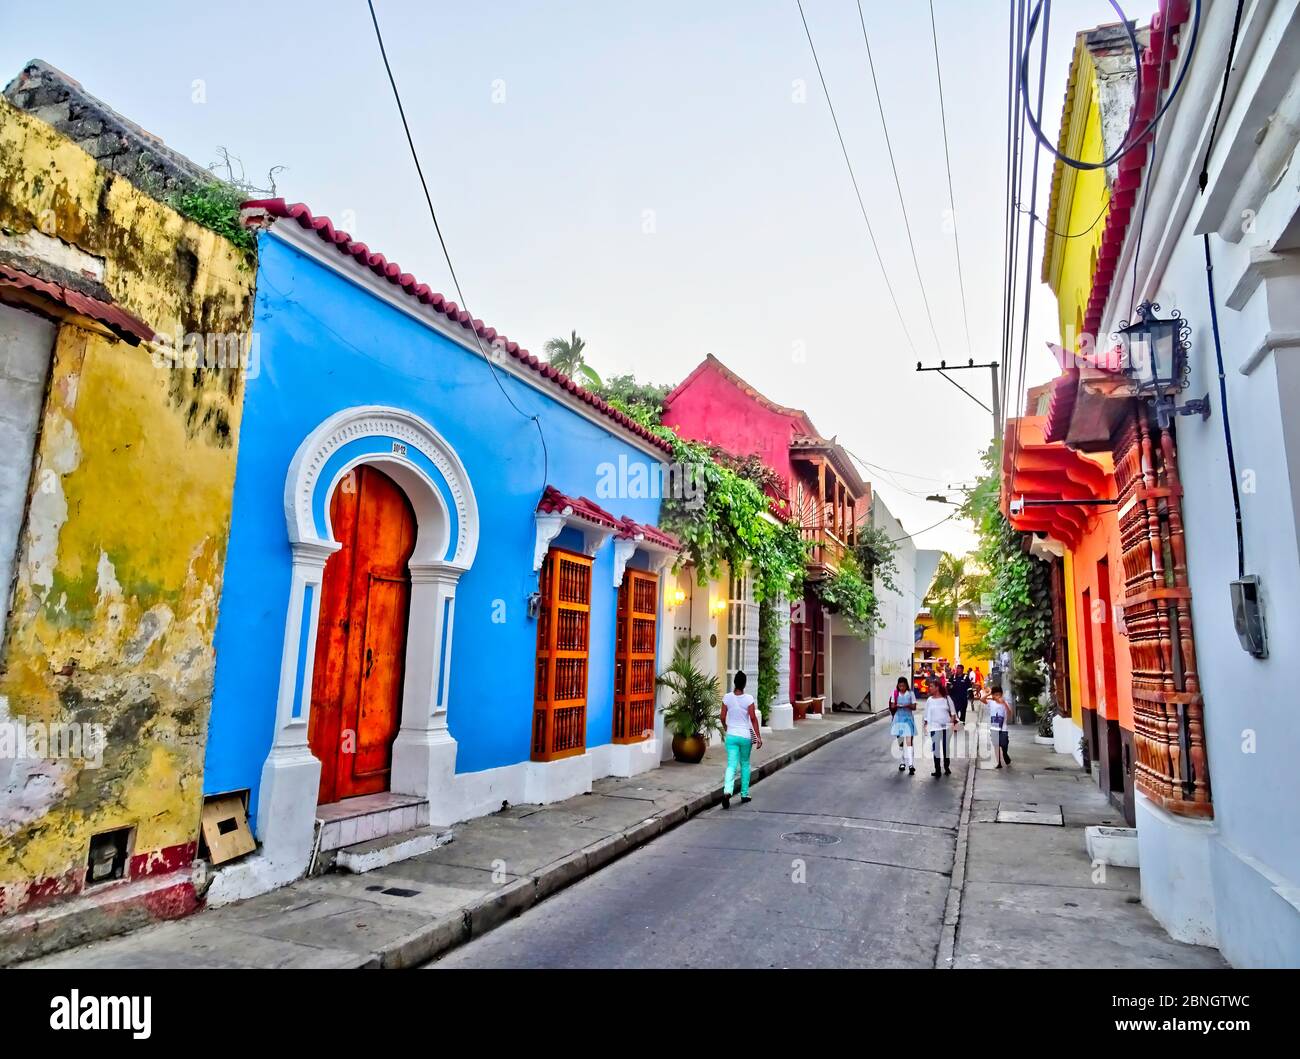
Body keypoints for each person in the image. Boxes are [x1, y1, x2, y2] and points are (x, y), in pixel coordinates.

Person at [721, 671, 762, 809]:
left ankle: (727, 791)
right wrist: (758, 737)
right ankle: (744, 794)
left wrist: (726, 727)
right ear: (744, 684)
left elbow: (722, 716)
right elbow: (753, 718)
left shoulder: (727, 697)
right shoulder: (749, 699)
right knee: (745, 764)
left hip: (731, 735)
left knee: (731, 765)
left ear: (734, 683)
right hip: (745, 736)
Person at [923, 679, 959, 778]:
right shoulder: (929, 700)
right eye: (929, 686)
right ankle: (937, 769)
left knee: (945, 747)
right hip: (934, 727)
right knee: (936, 748)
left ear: (937, 687)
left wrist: (952, 723)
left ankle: (946, 766)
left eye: (931, 686)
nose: (929, 688)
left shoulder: (946, 698)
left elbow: (953, 712)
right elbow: (926, 714)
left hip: (946, 727)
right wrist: (925, 724)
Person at [889, 677, 917, 776]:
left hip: (908, 718)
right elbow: (892, 706)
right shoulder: (895, 693)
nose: (902, 688)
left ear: (906, 685)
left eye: (903, 686)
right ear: (898, 685)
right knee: (900, 742)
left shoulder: (911, 693)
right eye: (900, 686)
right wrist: (897, 705)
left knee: (909, 742)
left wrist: (907, 705)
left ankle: (911, 764)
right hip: (898, 718)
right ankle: (902, 762)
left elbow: (914, 707)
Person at [985, 685, 1012, 768]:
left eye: (999, 695)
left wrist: (1004, 703)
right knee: (996, 745)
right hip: (994, 728)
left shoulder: (1005, 703)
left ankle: (1005, 754)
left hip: (1003, 728)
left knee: (1004, 744)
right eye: (996, 695)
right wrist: (989, 693)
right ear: (993, 695)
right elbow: (981, 699)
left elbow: (1010, 713)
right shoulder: (991, 703)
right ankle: (998, 763)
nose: (998, 697)